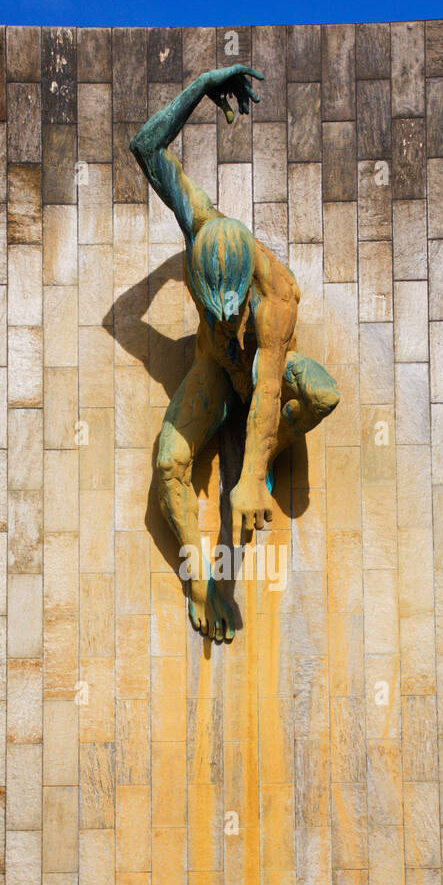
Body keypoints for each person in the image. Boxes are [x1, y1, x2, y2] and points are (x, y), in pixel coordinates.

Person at [130, 65, 339, 642]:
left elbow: (270, 385)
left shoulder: (277, 297)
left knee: (322, 393)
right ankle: (198, 580)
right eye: (208, 309)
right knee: (168, 463)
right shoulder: (200, 222)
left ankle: (267, 446)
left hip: (263, 376)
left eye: (233, 313)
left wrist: (249, 479)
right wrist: (201, 85)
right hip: (218, 373)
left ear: (248, 288)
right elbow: (144, 146)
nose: (226, 321)